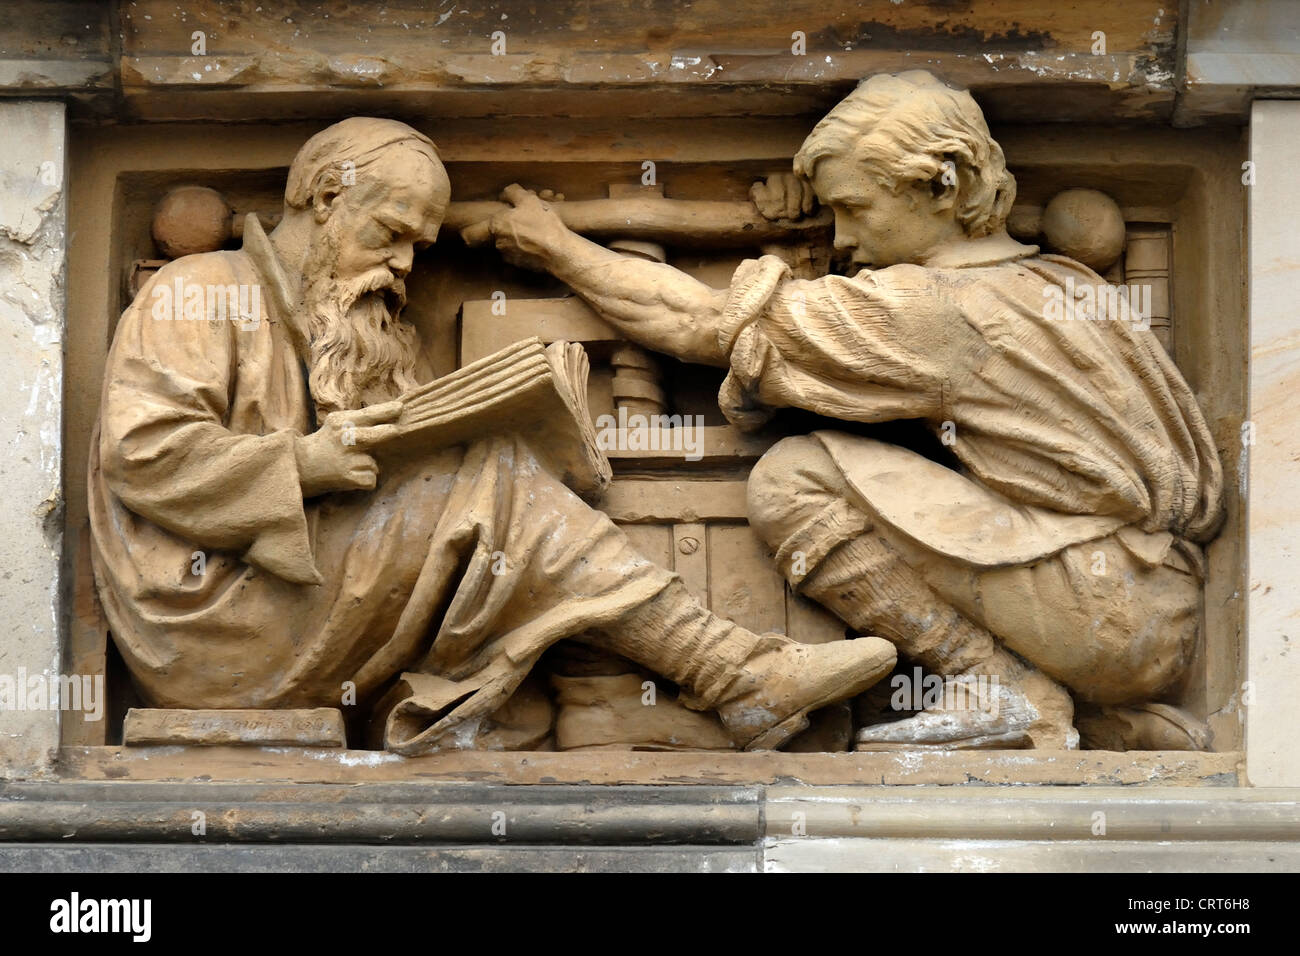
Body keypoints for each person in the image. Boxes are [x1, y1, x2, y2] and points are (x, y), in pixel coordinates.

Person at [89, 118, 896, 755]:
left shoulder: (364, 327)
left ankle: (661, 698)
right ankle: (734, 675)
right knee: (492, 479)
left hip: (305, 593)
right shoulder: (200, 290)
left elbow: (414, 454)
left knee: (502, 481)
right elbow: (146, 453)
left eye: (418, 246)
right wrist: (304, 462)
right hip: (211, 620)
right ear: (325, 197)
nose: (405, 264)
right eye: (392, 232)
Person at [483, 72, 1225, 749]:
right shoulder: (1048, 280)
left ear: (944, 185)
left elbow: (697, 325)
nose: (842, 237)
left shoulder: (935, 312)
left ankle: (1002, 687)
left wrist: (554, 246)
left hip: (1104, 606)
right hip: (1156, 607)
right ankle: (1097, 711)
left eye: (854, 208)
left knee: (795, 476)